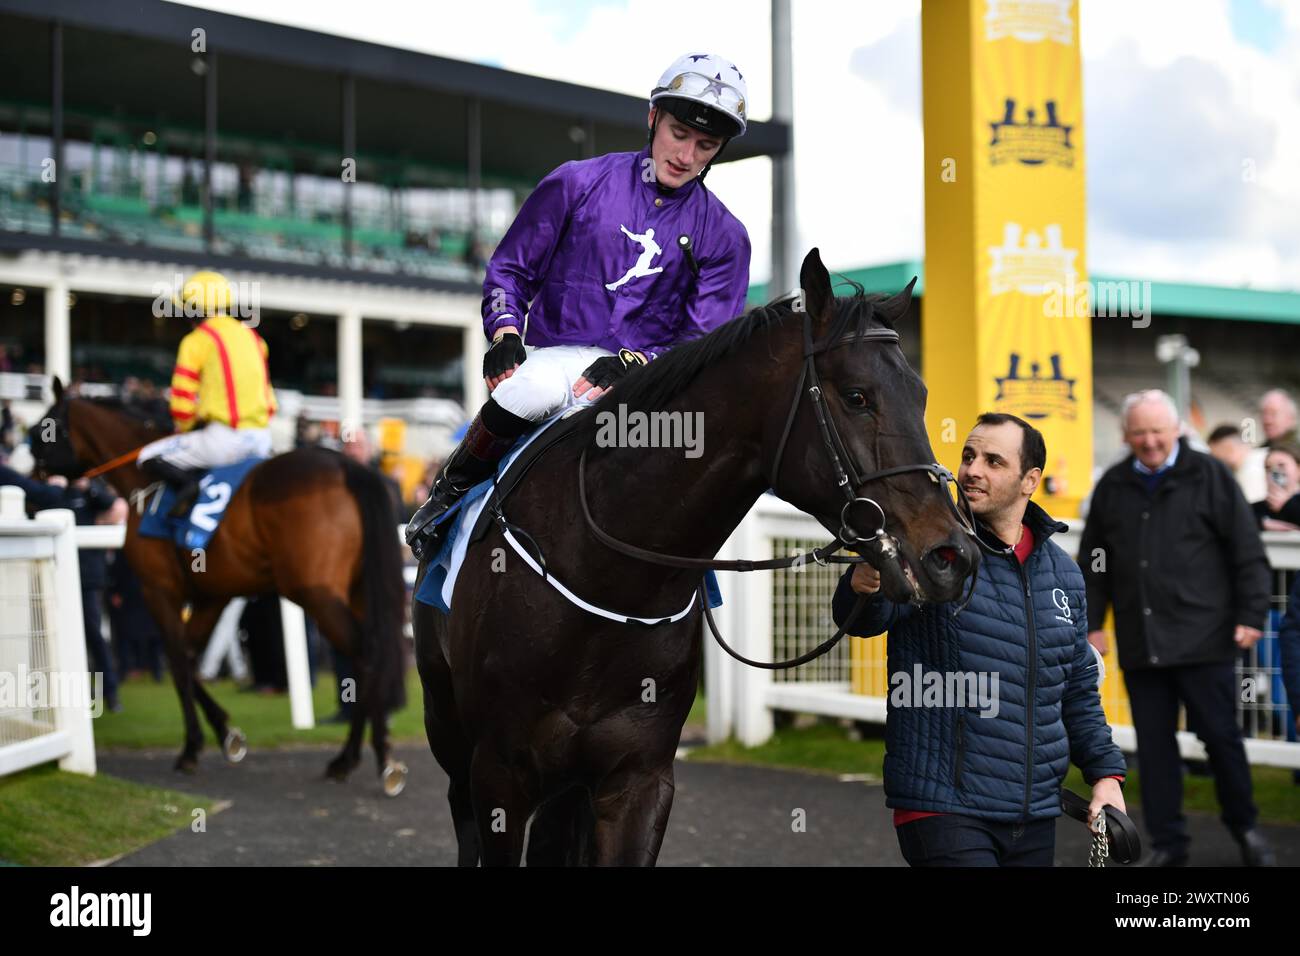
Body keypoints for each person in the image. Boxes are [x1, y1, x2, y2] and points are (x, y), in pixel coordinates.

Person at [405, 53, 753, 559]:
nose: (686, 154)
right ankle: (446, 498)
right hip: (557, 359)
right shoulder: (576, 182)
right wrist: (505, 333)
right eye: (679, 133)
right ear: (653, 117)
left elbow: (705, 341)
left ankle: (689, 592)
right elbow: (511, 269)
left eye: (706, 145)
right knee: (523, 392)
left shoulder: (726, 236)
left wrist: (640, 365)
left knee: (693, 457)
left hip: (651, 385)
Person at [831, 413, 1127, 867]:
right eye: (968, 456)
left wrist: (1106, 775)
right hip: (942, 805)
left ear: (1030, 480)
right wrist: (863, 583)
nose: (972, 470)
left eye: (993, 461)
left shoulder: (1064, 573)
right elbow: (866, 620)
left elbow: (1077, 691)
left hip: (1034, 811)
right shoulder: (927, 544)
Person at [1080, 389, 1274, 866]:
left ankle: (1246, 830)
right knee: (1155, 751)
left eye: (1158, 432)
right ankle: (1169, 845)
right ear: (1126, 435)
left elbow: (1246, 550)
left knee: (1221, 740)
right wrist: (1091, 623)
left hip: (1206, 638)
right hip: (1142, 642)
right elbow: (1094, 562)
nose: (1150, 442)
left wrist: (1252, 615)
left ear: (1177, 431)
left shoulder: (1209, 475)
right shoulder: (1113, 485)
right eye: (1140, 433)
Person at [137, 270, 277, 517]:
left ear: (196, 309)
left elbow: (181, 406)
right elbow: (268, 399)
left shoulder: (196, 340)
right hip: (262, 441)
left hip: (223, 441)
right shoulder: (255, 338)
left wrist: (190, 424)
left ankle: (188, 487)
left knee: (147, 456)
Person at [1207, 423, 1268, 504]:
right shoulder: (1261, 457)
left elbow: (1249, 511)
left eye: (1214, 455)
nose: (1214, 462)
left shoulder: (1251, 471)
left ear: (1229, 448)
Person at [1251, 441, 1300, 531]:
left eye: (1281, 465)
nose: (1274, 471)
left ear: (1298, 469)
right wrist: (1262, 523)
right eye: (1268, 468)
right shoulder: (1257, 508)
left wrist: (1287, 505)